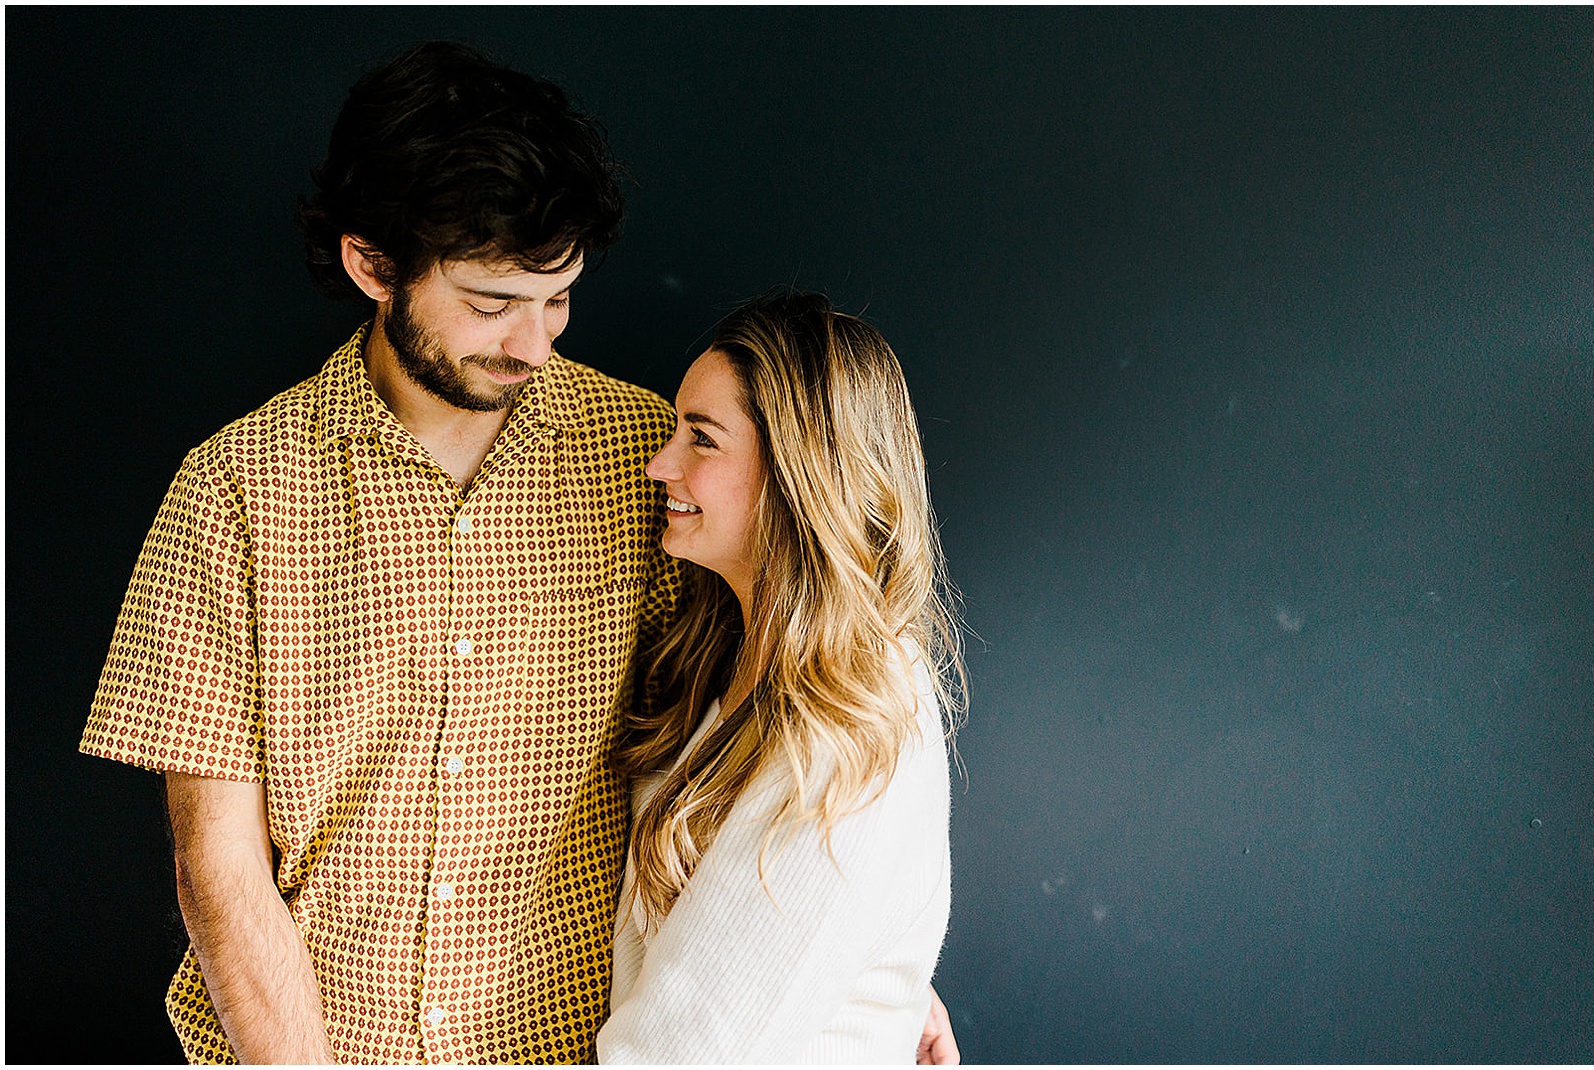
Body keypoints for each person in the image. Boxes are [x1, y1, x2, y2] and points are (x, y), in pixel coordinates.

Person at [80, 42, 961, 1065]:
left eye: (559, 298)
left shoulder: (650, 458)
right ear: (373, 266)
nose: (534, 342)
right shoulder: (228, 496)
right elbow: (218, 866)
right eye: (492, 302)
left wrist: (851, 965)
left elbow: (767, 713)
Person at [596, 291, 965, 1062]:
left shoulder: (853, 718)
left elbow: (684, 1055)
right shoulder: (733, 657)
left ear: (802, 472)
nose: (661, 464)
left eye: (701, 438)